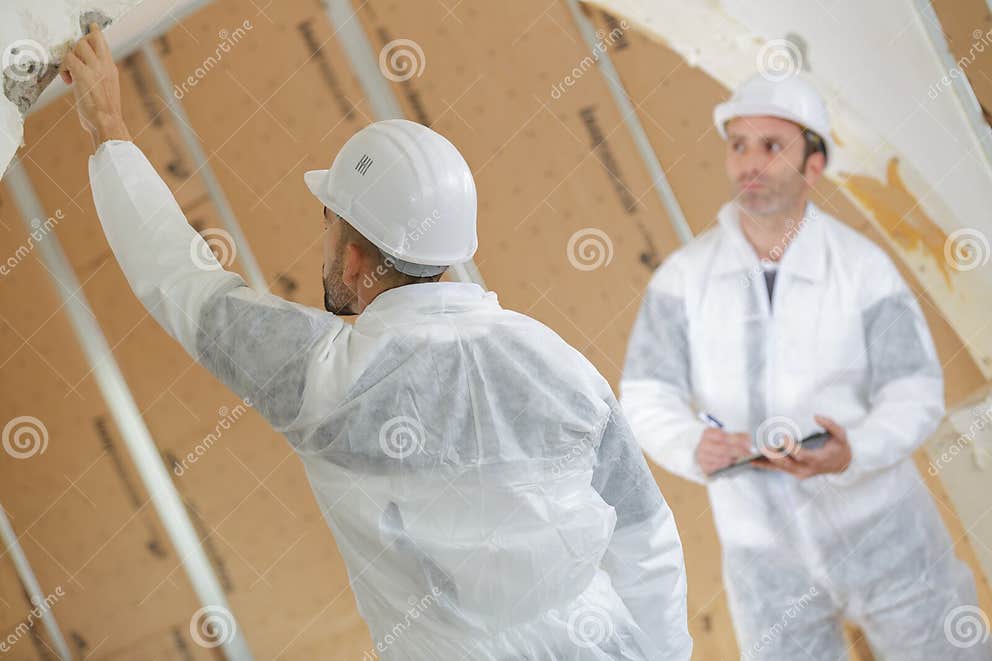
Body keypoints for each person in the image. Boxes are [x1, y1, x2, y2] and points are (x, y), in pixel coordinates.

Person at [63, 25, 692, 660]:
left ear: (355, 259)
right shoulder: (561, 366)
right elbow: (646, 536)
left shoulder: (327, 383)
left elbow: (181, 281)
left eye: (329, 225)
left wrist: (108, 129)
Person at [621, 72, 989, 660]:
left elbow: (915, 388)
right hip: (762, 549)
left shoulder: (862, 268)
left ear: (813, 165)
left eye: (771, 146)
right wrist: (692, 446)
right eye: (738, 145)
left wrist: (854, 450)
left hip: (882, 530)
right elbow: (645, 391)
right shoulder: (683, 280)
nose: (750, 163)